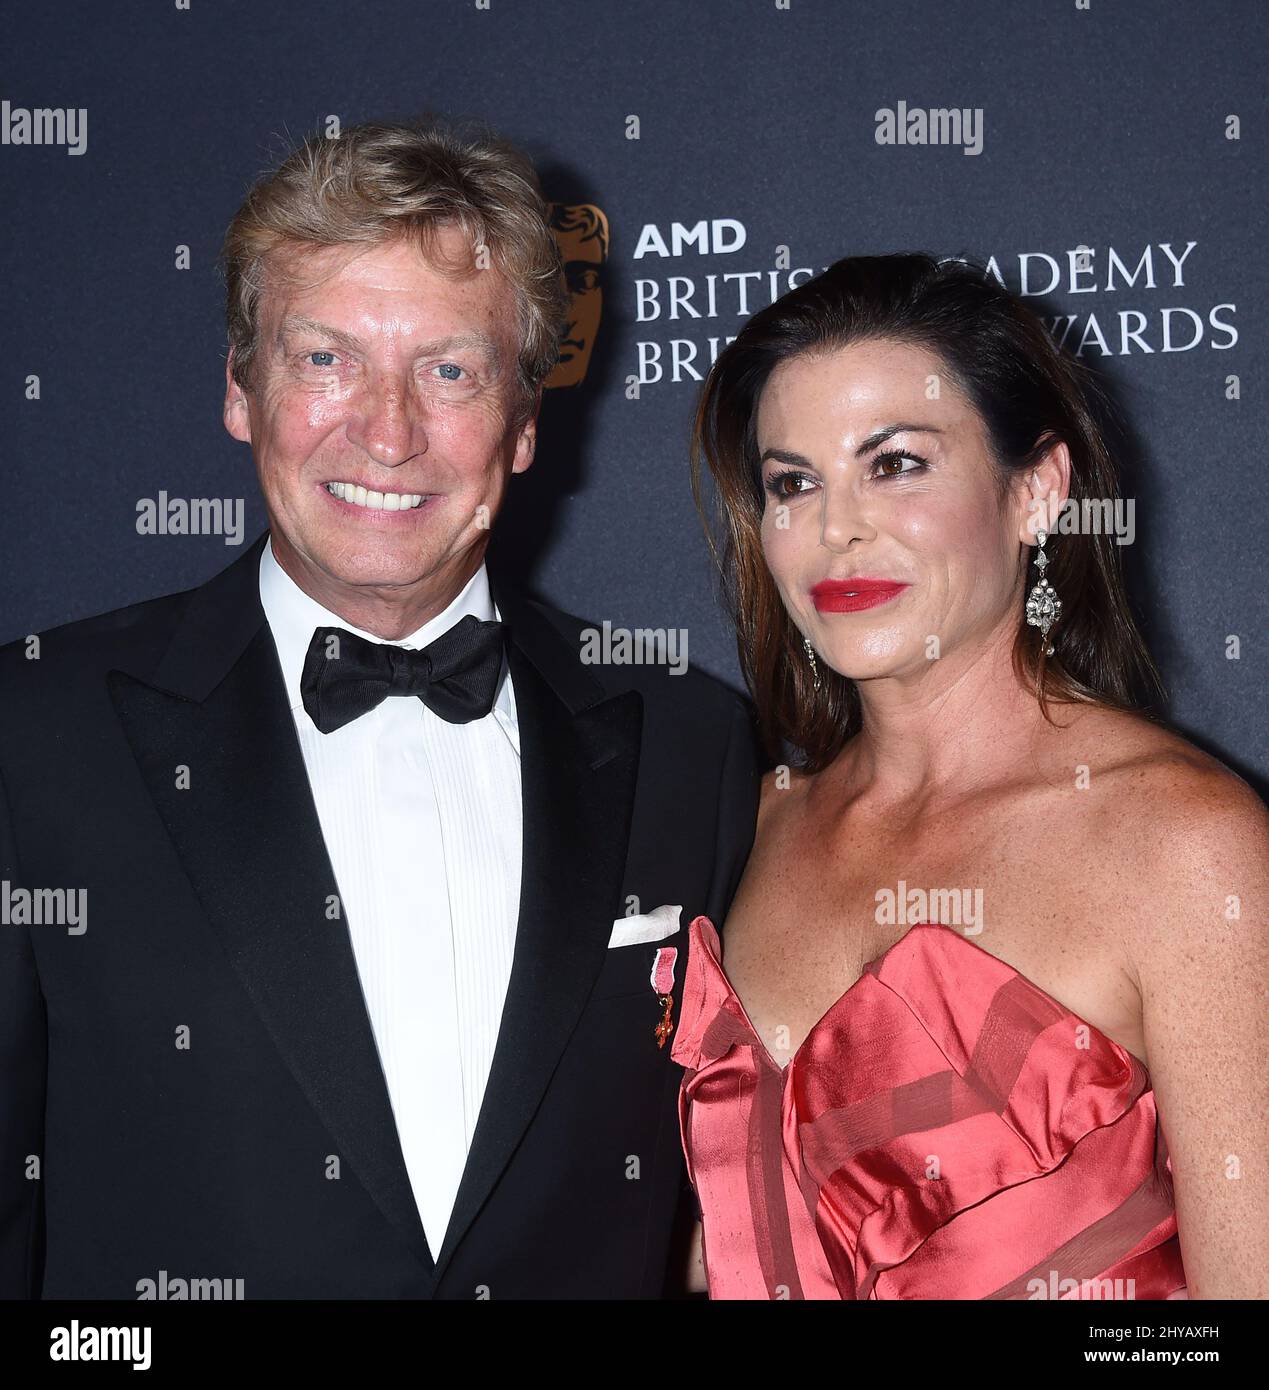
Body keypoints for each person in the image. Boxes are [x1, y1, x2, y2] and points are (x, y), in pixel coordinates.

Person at [0, 118, 759, 1299]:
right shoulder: (31, 733)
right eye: (326, 360)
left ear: (521, 424)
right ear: (242, 391)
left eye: (450, 370)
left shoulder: (692, 746)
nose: (388, 431)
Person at [673, 253, 1268, 1300]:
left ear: (1037, 491)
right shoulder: (746, 820)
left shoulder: (1187, 846)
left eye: (895, 463)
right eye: (791, 482)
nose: (836, 525)